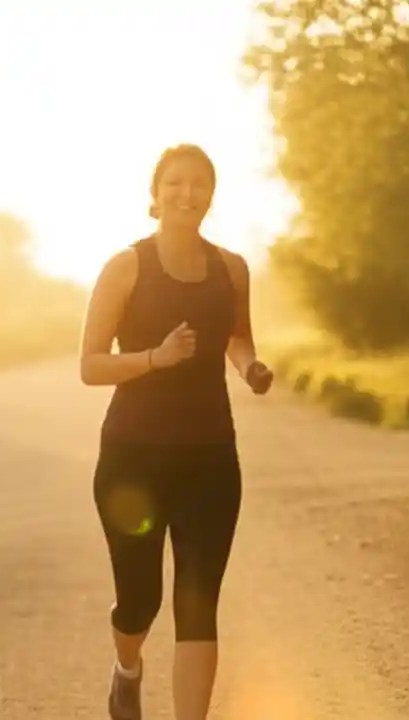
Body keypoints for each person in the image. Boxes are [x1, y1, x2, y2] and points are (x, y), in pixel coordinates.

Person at [79, 143, 274, 720]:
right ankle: (127, 669)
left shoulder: (231, 269)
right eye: (175, 183)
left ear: (211, 195)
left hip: (210, 458)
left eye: (199, 184)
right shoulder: (126, 267)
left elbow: (237, 337)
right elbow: (90, 365)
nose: (187, 193)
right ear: (156, 193)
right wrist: (154, 359)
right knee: (140, 600)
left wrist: (251, 369)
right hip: (132, 462)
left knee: (198, 603)